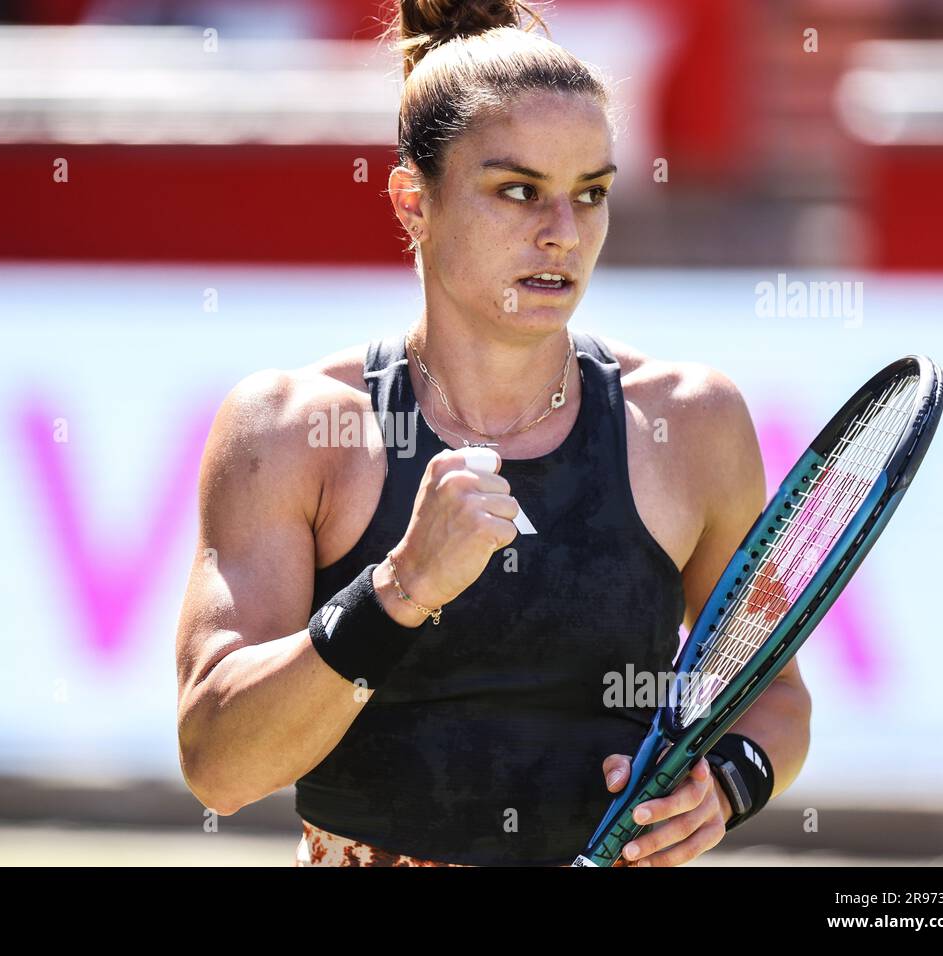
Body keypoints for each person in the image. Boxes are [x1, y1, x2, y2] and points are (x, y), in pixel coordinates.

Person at [175, 0, 811, 867]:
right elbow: (217, 762)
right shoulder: (288, 429)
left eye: (591, 193)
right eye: (518, 190)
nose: (563, 232)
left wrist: (726, 786)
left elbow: (772, 693)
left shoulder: (692, 422)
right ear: (413, 200)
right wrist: (398, 590)